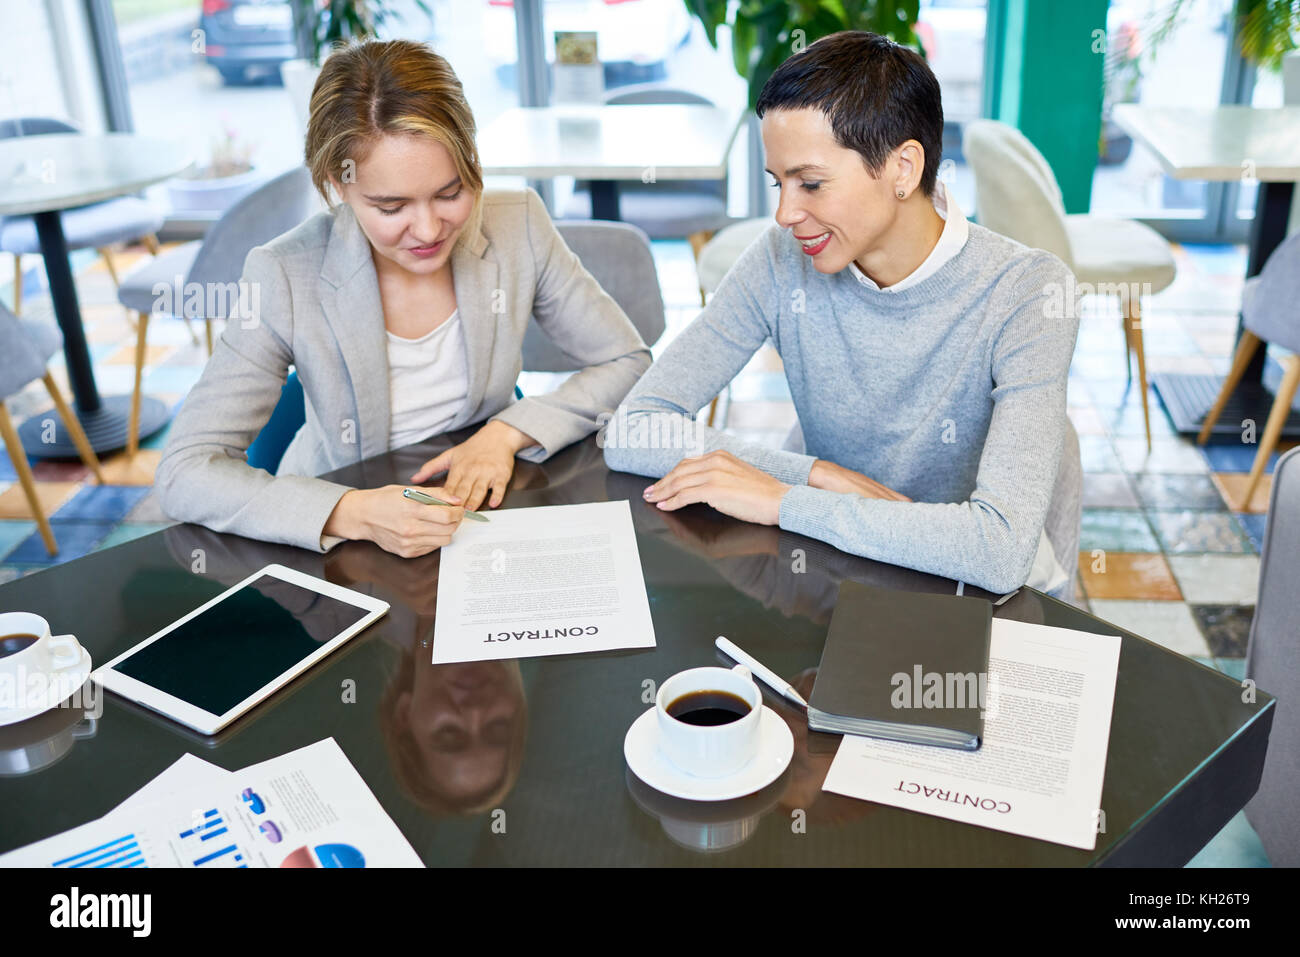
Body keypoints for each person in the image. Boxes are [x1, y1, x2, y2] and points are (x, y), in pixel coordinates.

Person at [602, 30, 1080, 597]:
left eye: (810, 183)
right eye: (778, 183)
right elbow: (632, 429)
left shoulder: (1028, 291)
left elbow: (998, 550)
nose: (783, 213)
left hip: (977, 594)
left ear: (903, 169)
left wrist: (784, 499)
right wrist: (815, 475)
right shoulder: (781, 261)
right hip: (841, 568)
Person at [156, 39, 650, 557]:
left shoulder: (518, 223)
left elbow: (629, 361)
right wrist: (351, 511)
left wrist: (505, 433)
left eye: (450, 192)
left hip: (483, 510)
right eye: (391, 206)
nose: (429, 229)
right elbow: (185, 471)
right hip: (344, 540)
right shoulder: (284, 273)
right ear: (338, 185)